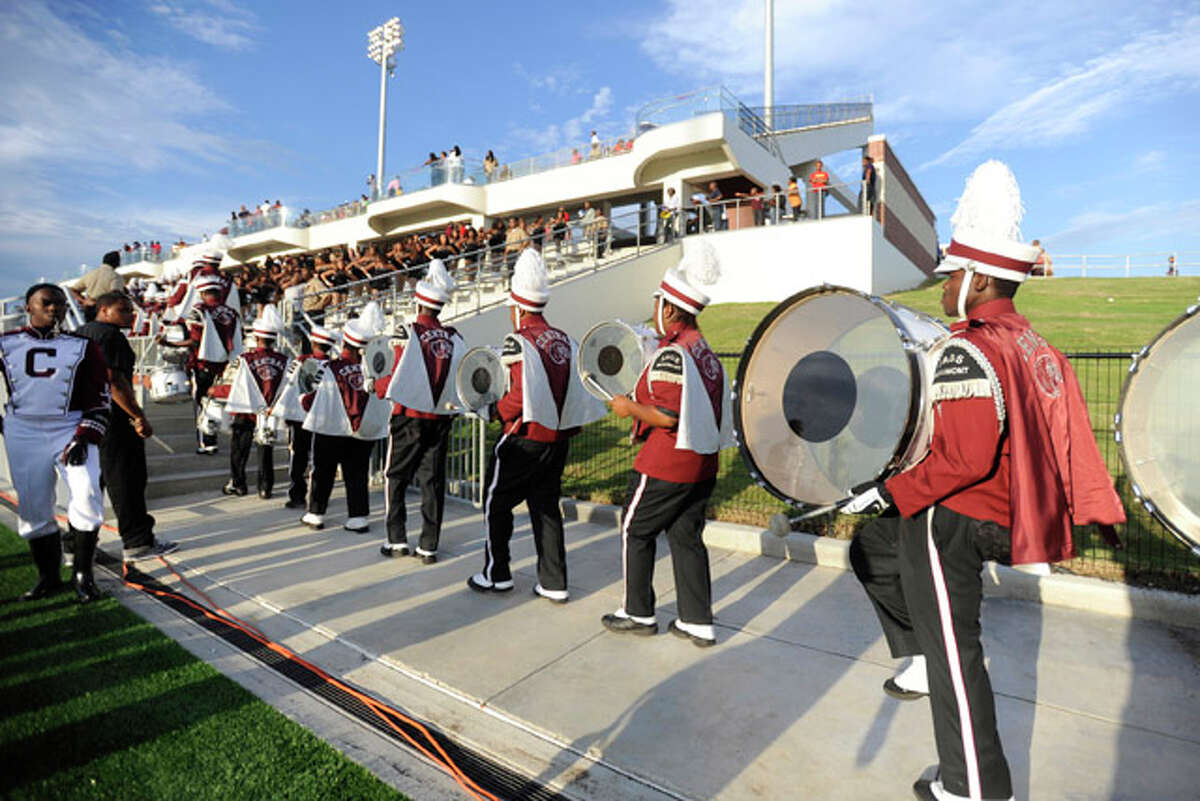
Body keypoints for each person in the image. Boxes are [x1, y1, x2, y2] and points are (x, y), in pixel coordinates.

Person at [844, 161, 1126, 801]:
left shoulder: (968, 347)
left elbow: (963, 458)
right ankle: (915, 656)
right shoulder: (1035, 345)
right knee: (871, 550)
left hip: (953, 519)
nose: (943, 292)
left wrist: (891, 491)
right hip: (1005, 512)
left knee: (956, 658)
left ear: (977, 280)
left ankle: (971, 785)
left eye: (950, 280)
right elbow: (1065, 435)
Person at [600, 243, 732, 646]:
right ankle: (697, 620)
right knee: (686, 537)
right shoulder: (702, 348)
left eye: (658, 302)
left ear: (672, 309)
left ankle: (638, 612)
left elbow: (669, 416)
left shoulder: (675, 353)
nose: (654, 308)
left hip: (666, 463)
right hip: (702, 464)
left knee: (634, 531)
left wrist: (629, 408)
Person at [467, 249, 605, 600]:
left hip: (522, 437)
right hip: (557, 440)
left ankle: (496, 573)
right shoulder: (563, 338)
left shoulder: (519, 340)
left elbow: (518, 395)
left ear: (518, 306)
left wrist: (496, 410)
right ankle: (554, 581)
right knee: (545, 508)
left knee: (496, 503)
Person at [2, 284, 110, 603]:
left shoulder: (84, 346)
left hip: (71, 426)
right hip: (24, 430)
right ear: (29, 306)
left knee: (88, 492)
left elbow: (100, 397)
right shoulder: (6, 343)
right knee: (34, 506)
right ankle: (48, 577)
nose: (54, 309)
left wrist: (85, 434)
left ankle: (83, 575)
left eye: (60, 304)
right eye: (47, 303)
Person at [76, 292, 177, 562]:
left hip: (82, 418)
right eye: (123, 310)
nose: (130, 316)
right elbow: (113, 380)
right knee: (126, 480)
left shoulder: (79, 333)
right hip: (111, 419)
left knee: (88, 485)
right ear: (104, 310)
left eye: (131, 310)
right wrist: (138, 416)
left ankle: (75, 543)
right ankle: (137, 542)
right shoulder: (110, 336)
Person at [379, 260, 465, 563]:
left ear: (418, 303)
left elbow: (399, 375)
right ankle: (429, 545)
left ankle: (396, 539)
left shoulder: (408, 331)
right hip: (440, 418)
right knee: (432, 482)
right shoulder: (454, 337)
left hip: (408, 415)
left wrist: (376, 386)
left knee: (396, 476)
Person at [299, 304, 390, 532]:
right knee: (357, 473)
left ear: (343, 343)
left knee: (323, 471)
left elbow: (308, 401)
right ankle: (358, 517)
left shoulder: (327, 367)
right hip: (363, 430)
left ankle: (316, 513)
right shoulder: (375, 372)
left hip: (330, 428)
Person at [160, 274, 242, 454]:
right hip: (226, 364)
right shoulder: (231, 312)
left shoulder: (199, 311)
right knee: (218, 401)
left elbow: (194, 342)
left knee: (202, 403)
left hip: (203, 364)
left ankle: (207, 442)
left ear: (203, 293)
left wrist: (169, 343)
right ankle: (215, 437)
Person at [217, 305, 289, 498]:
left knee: (239, 449)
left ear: (256, 337)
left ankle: (238, 484)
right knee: (266, 450)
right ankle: (266, 488)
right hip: (269, 411)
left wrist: (213, 390)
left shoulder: (243, 359)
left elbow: (230, 385)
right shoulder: (285, 360)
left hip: (245, 410)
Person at [272, 323, 337, 509]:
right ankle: (319, 497)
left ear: (314, 342)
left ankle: (297, 495)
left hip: (300, 417)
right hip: (324, 419)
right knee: (321, 460)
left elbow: (288, 387)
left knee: (298, 458)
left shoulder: (300, 362)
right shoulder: (333, 366)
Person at [72, 251, 126, 322]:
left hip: (89, 309)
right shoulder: (116, 276)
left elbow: (73, 290)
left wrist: (84, 301)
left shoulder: (91, 274)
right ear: (117, 263)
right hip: (104, 311)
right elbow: (116, 295)